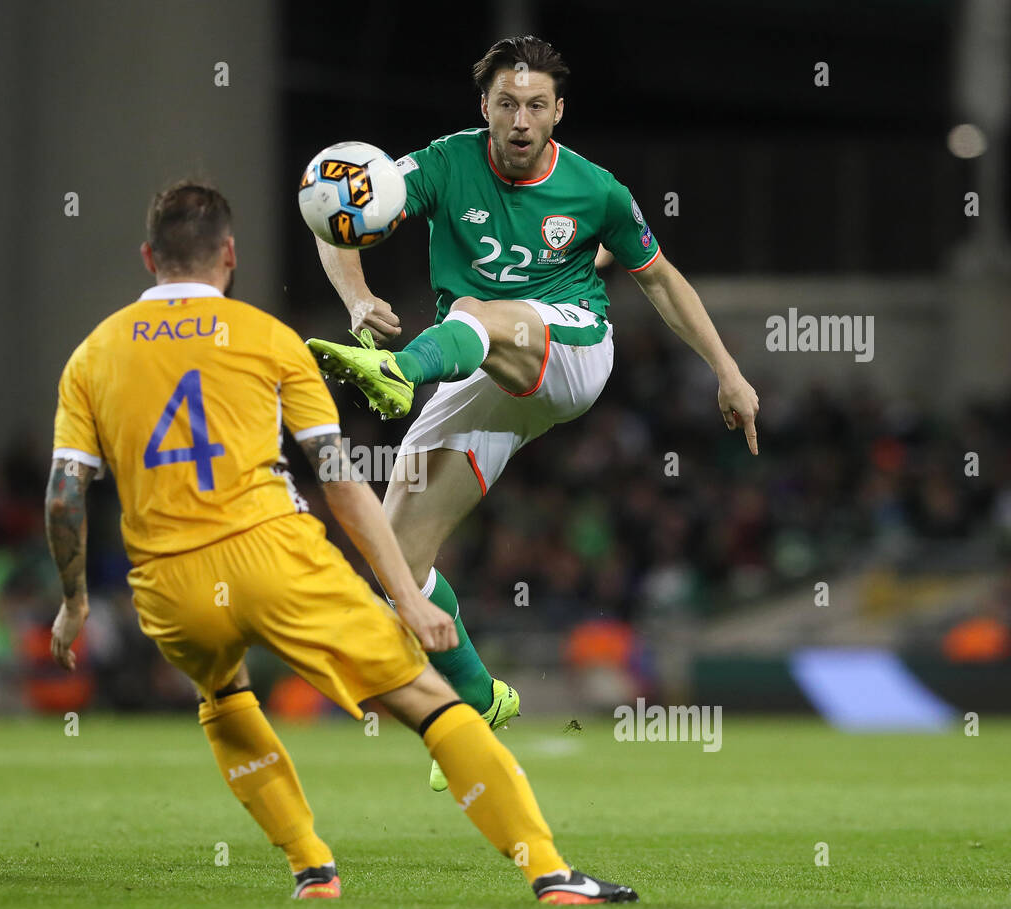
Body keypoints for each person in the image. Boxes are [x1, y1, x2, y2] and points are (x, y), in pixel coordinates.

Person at [44, 179, 639, 904]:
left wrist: (73, 600)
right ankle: (550, 871)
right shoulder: (268, 337)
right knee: (426, 698)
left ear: (148, 257)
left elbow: (64, 494)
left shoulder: (92, 354)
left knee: (224, 697)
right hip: (274, 557)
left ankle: (312, 868)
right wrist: (405, 596)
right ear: (229, 254)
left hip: (167, 584)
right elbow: (343, 484)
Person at [308, 34, 761, 791]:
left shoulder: (598, 191)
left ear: (558, 112)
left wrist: (728, 370)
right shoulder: (445, 163)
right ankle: (482, 697)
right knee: (395, 564)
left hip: (570, 352)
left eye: (537, 105)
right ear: (484, 106)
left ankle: (396, 372)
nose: (522, 119)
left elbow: (663, 281)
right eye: (508, 104)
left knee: (485, 312)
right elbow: (339, 217)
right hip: (479, 364)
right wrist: (357, 299)